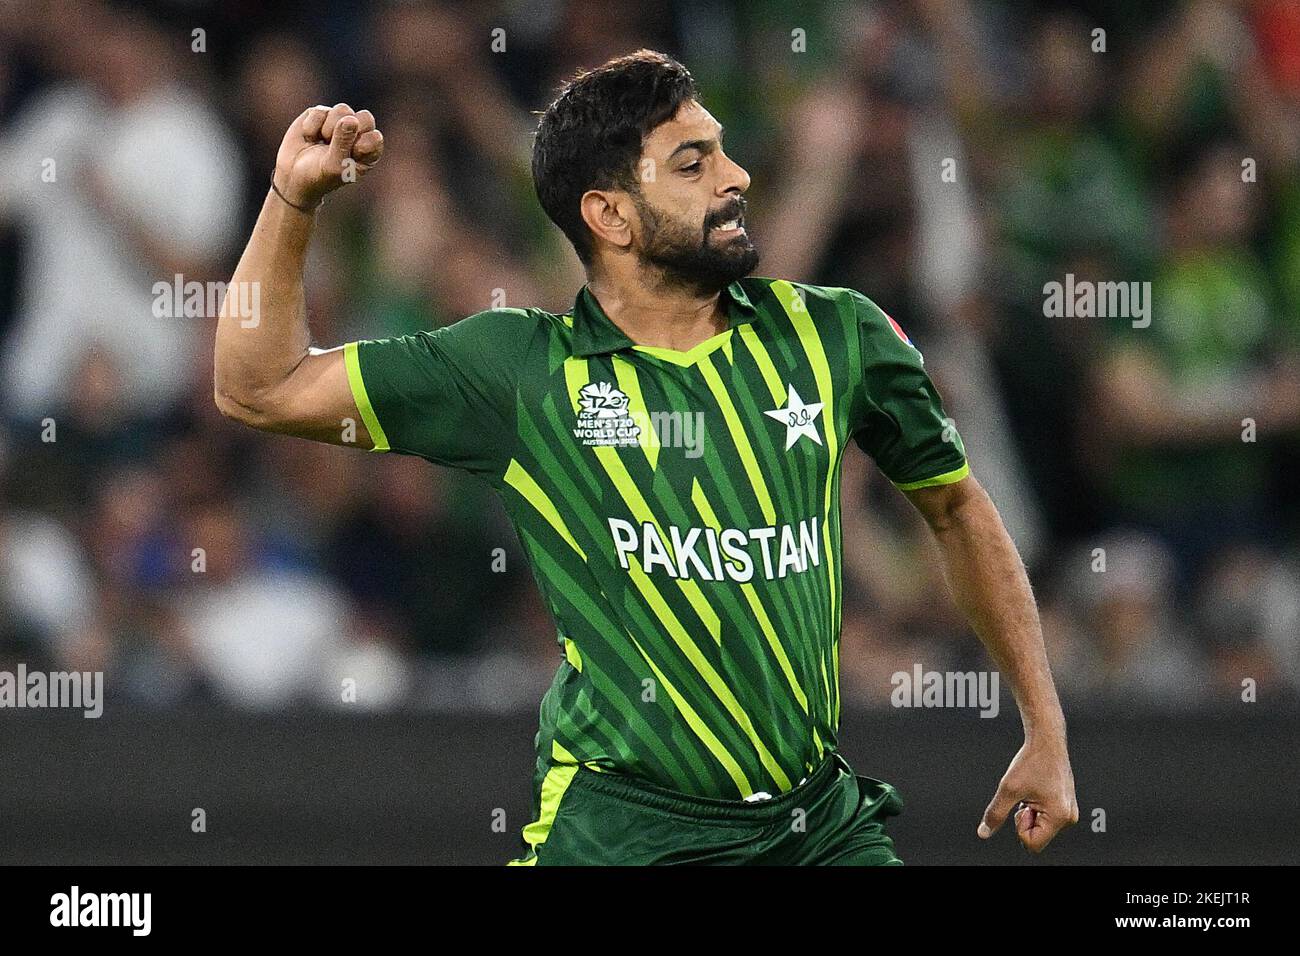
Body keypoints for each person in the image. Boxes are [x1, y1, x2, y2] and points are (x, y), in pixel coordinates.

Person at [213, 50, 1076, 865]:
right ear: (611, 214)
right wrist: (294, 203)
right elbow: (259, 387)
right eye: (695, 165)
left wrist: (1044, 727)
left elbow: (957, 508)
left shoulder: (836, 335)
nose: (737, 179)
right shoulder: (519, 372)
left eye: (724, 153)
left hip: (815, 826)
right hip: (621, 831)